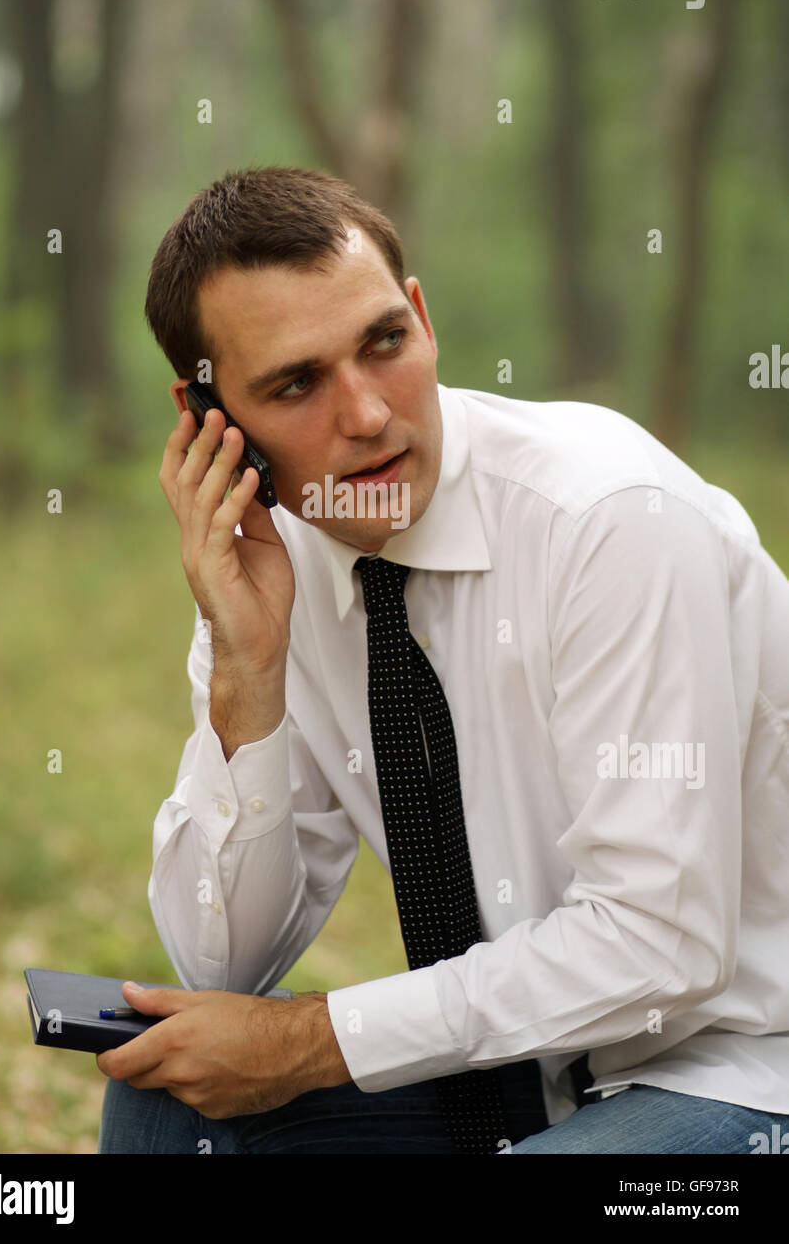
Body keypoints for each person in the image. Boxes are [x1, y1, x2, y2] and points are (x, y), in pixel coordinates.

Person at [97, 165, 789, 1155]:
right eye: (295, 383)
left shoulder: (607, 520)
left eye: (383, 343)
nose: (370, 414)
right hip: (523, 1077)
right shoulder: (264, 565)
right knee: (172, 1101)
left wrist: (317, 1038)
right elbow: (223, 963)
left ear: (420, 316)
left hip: (741, 1074)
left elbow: (660, 942)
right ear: (211, 416)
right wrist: (247, 676)